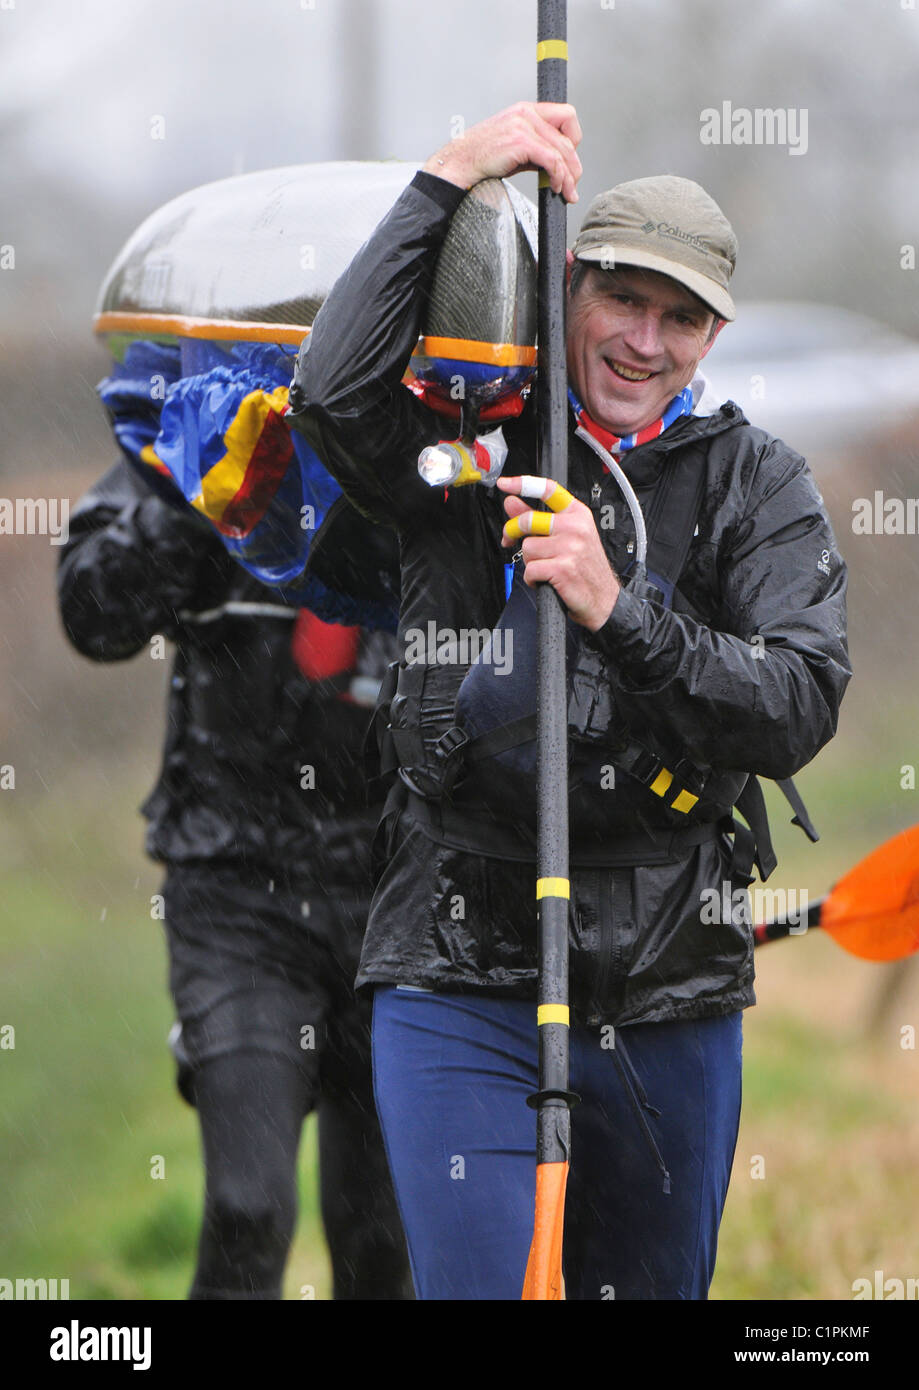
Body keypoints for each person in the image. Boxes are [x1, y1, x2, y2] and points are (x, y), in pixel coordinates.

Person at [286, 102, 851, 1300]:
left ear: (710, 337)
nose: (644, 341)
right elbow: (330, 397)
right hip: (452, 960)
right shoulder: (469, 446)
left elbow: (797, 702)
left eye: (680, 317)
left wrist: (619, 606)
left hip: (667, 976)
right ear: (563, 294)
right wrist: (451, 176)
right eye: (620, 300)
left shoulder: (759, 483)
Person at [57, 455, 412, 1301]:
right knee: (247, 1206)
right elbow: (94, 616)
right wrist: (212, 484)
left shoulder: (442, 430)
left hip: (403, 895)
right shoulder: (202, 425)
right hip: (239, 891)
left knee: (382, 1237)